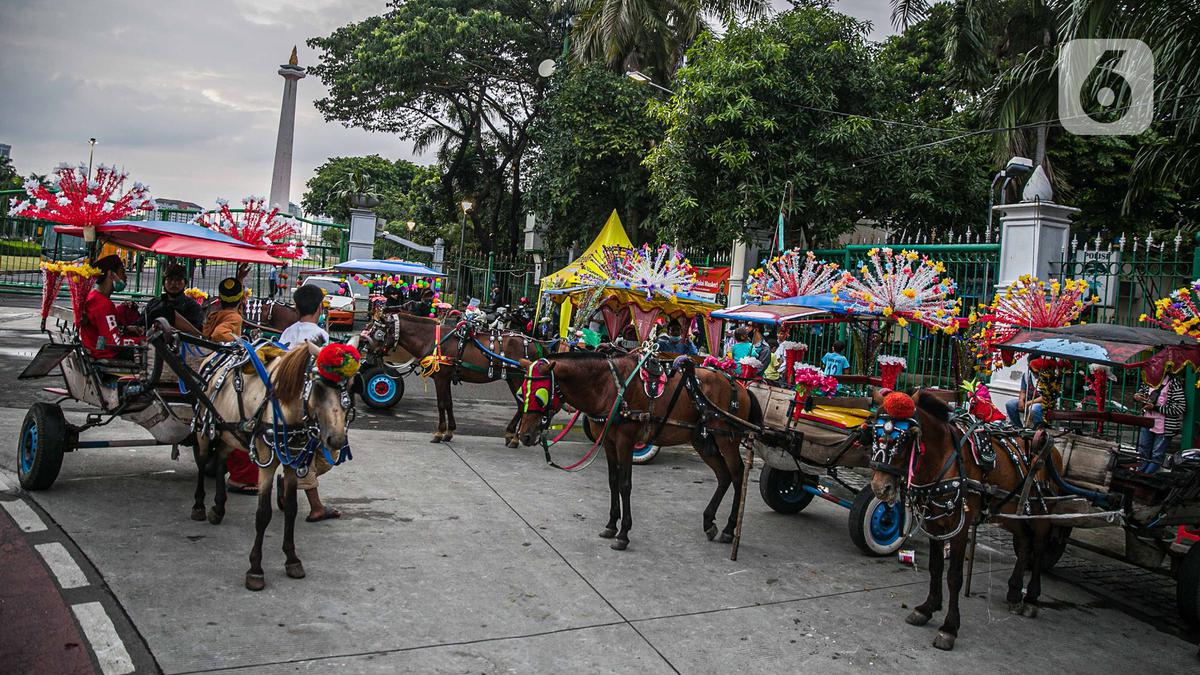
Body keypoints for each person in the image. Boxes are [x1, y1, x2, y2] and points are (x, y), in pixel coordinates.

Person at [80, 255, 144, 359]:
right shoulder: (103, 304)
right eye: (122, 272)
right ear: (111, 274)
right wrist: (143, 340)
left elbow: (103, 333)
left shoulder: (93, 296)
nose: (125, 277)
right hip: (104, 354)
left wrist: (126, 329)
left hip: (96, 348)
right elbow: (114, 343)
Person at [1134, 375, 1186, 473]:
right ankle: (1139, 473)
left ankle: (1145, 477)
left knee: (1157, 455)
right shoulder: (1148, 379)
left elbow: (1180, 407)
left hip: (1164, 426)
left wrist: (1155, 408)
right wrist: (1138, 396)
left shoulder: (1173, 383)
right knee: (1142, 451)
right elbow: (1141, 392)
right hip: (1147, 422)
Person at [144, 263, 204, 335]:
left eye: (178, 280)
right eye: (170, 279)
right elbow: (141, 324)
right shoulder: (153, 303)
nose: (174, 283)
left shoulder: (193, 307)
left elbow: (195, 333)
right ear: (163, 282)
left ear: (185, 283)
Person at [202, 276, 247, 343]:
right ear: (241, 299)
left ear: (220, 298)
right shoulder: (235, 318)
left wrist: (240, 277)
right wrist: (238, 341)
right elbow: (218, 334)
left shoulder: (215, 315)